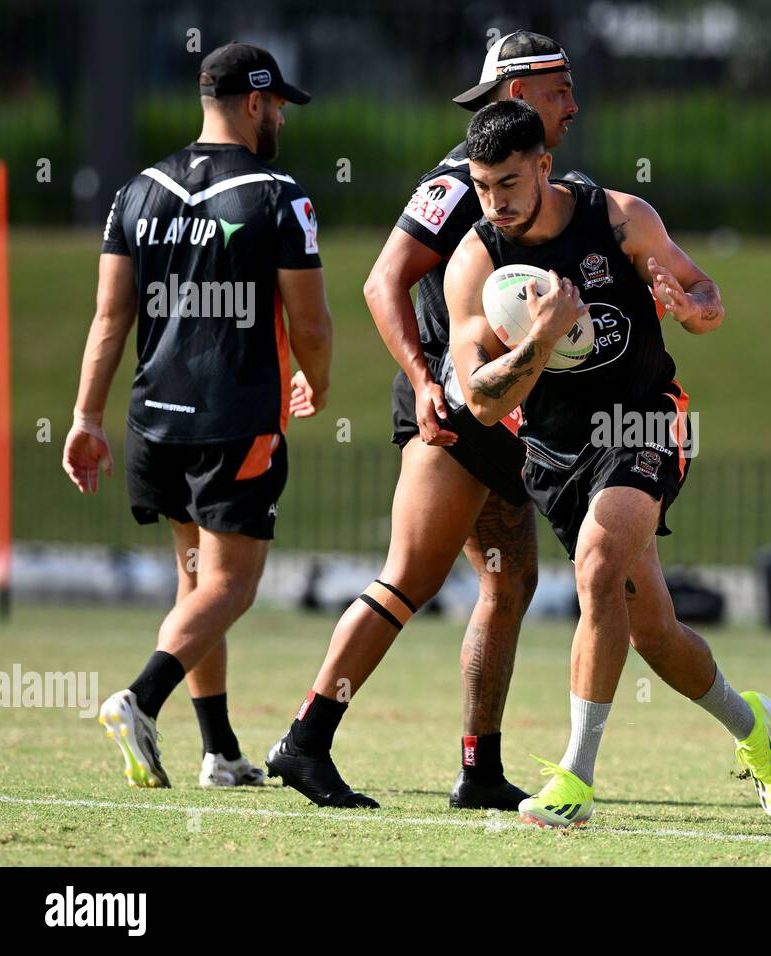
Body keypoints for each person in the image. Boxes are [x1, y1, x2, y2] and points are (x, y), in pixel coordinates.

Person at [446, 100, 771, 828]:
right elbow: (479, 402)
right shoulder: (479, 261)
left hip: (643, 419)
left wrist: (690, 307)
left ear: (544, 166)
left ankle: (575, 778)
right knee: (654, 633)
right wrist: (542, 339)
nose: (494, 202)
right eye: (481, 186)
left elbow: (707, 296)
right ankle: (750, 725)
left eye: (508, 183)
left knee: (598, 568)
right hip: (554, 452)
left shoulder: (619, 217)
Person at [265, 31, 583, 810]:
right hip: (452, 405)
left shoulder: (546, 183)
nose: (572, 102)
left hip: (501, 411)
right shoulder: (461, 180)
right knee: (408, 577)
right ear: (516, 94)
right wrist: (423, 380)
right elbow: (383, 283)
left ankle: (478, 768)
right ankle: (306, 739)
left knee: (510, 585)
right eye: (557, 87)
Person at [63, 42, 332, 789]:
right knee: (231, 587)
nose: (280, 115)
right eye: (277, 103)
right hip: (234, 420)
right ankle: (140, 699)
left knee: (196, 582)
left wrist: (86, 416)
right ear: (253, 102)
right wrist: (318, 380)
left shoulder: (134, 192)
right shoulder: (281, 195)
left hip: (156, 420)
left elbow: (109, 318)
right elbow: (309, 321)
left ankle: (218, 751)